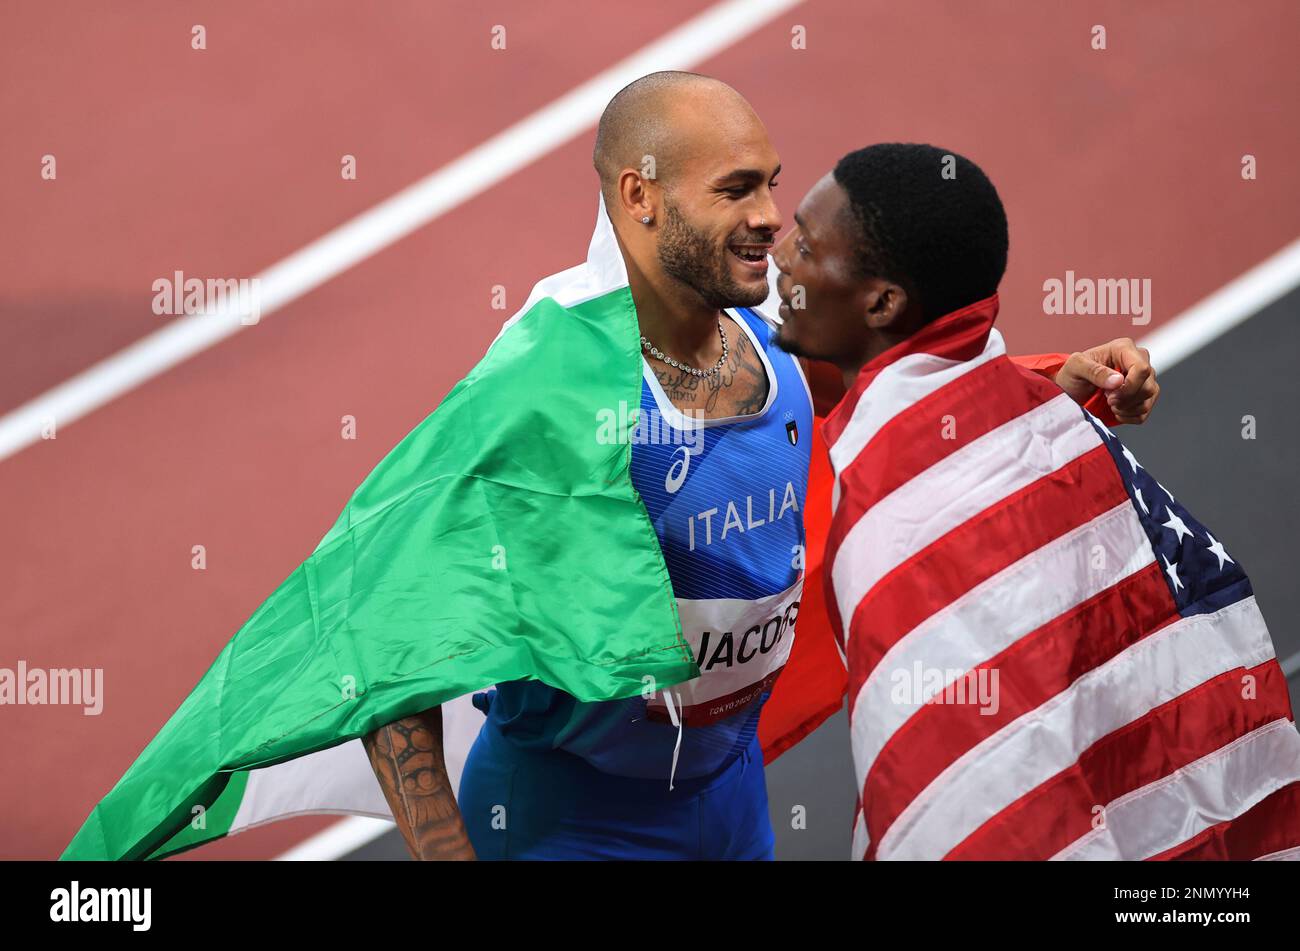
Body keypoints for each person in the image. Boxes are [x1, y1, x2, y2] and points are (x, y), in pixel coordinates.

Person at [363, 76, 1162, 861]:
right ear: (642, 197)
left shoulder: (765, 337)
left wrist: (1052, 385)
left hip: (732, 797)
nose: (771, 218)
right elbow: (389, 634)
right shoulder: (545, 392)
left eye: (772, 186)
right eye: (737, 191)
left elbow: (894, 412)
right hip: (569, 824)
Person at [770, 143, 1299, 860]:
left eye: (802, 241)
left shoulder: (899, 530)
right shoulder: (1006, 435)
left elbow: (975, 812)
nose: (777, 251)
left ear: (883, 301)